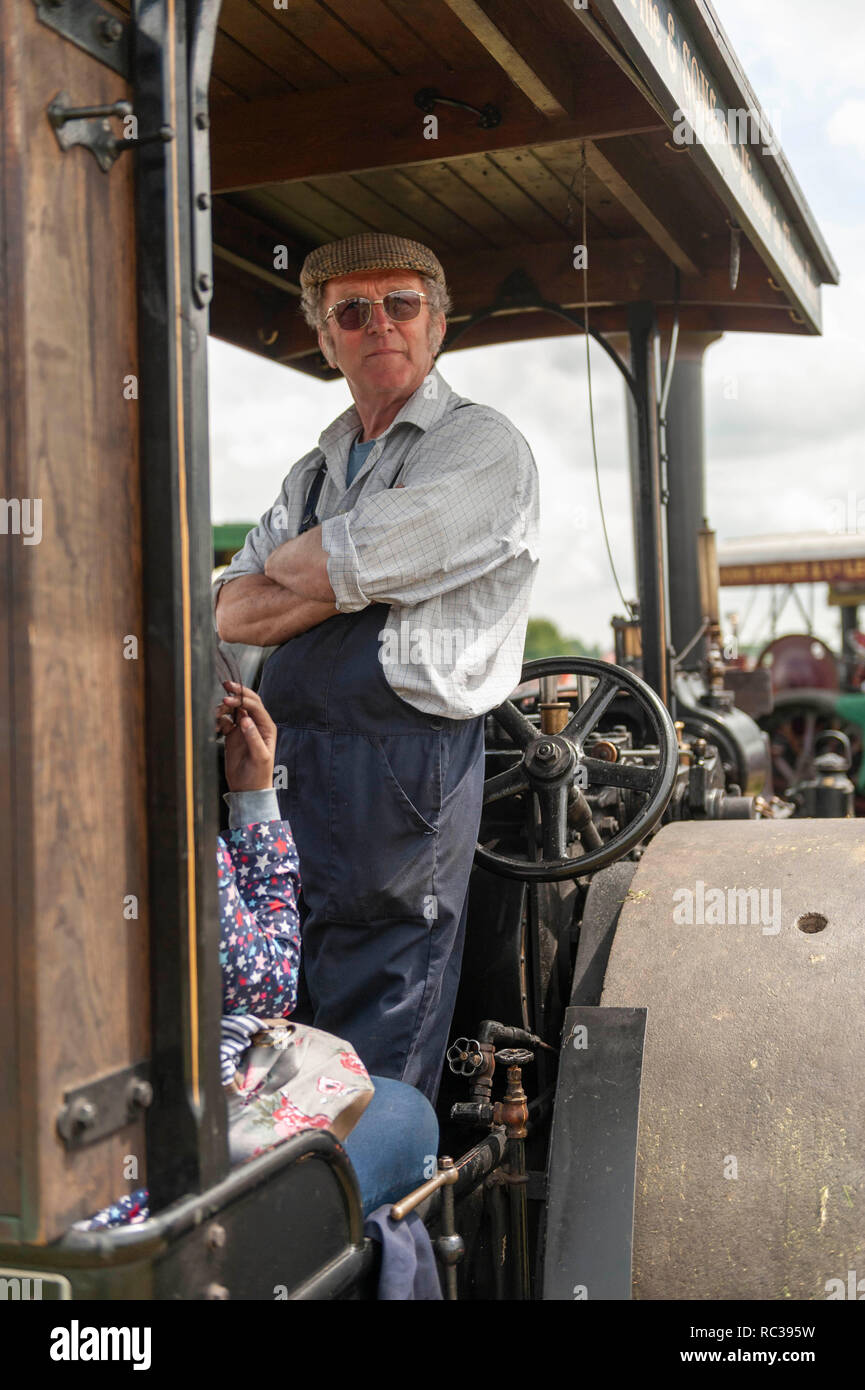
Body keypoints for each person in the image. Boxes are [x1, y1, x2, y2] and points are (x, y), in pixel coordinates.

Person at [214, 232, 539, 1102]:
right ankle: (284, 1188)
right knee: (287, 967)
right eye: (351, 312)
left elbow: (328, 568)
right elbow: (227, 608)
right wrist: (343, 579)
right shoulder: (313, 470)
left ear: (436, 323)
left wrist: (322, 574)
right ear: (325, 339)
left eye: (400, 304)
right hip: (285, 756)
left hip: (400, 763)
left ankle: (373, 1211)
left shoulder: (481, 448)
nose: (378, 325)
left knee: (379, 984)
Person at [76, 679, 439, 1234]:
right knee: (405, 1114)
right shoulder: (150, 814)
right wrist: (254, 801)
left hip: (55, 1176)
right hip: (157, 1199)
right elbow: (266, 985)